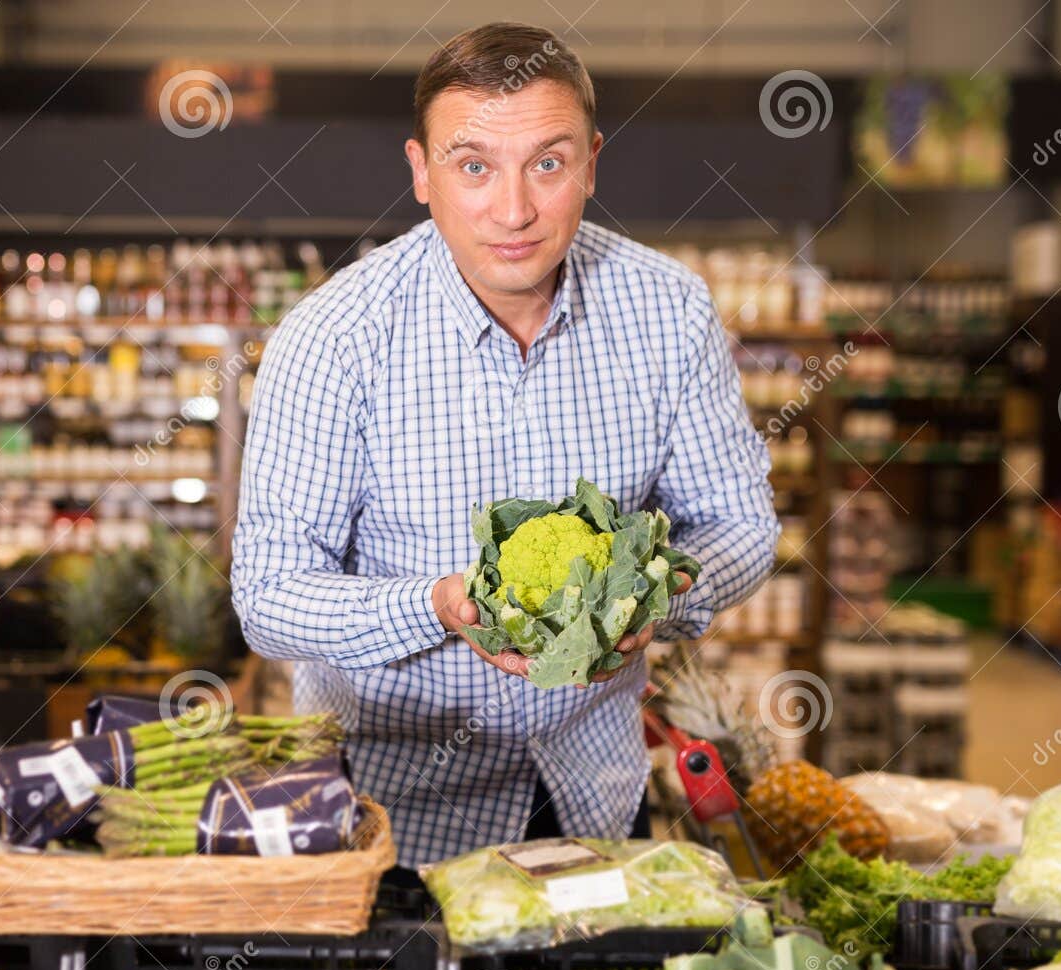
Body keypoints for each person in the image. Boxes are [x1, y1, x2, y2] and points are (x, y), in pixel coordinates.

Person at [230, 22, 779, 868]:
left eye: (549, 163)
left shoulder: (669, 312)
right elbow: (266, 595)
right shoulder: (333, 339)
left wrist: (647, 601)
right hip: (392, 812)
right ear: (422, 172)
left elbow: (742, 524)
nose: (514, 208)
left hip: (595, 792)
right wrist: (441, 605)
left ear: (592, 163)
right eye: (474, 165)